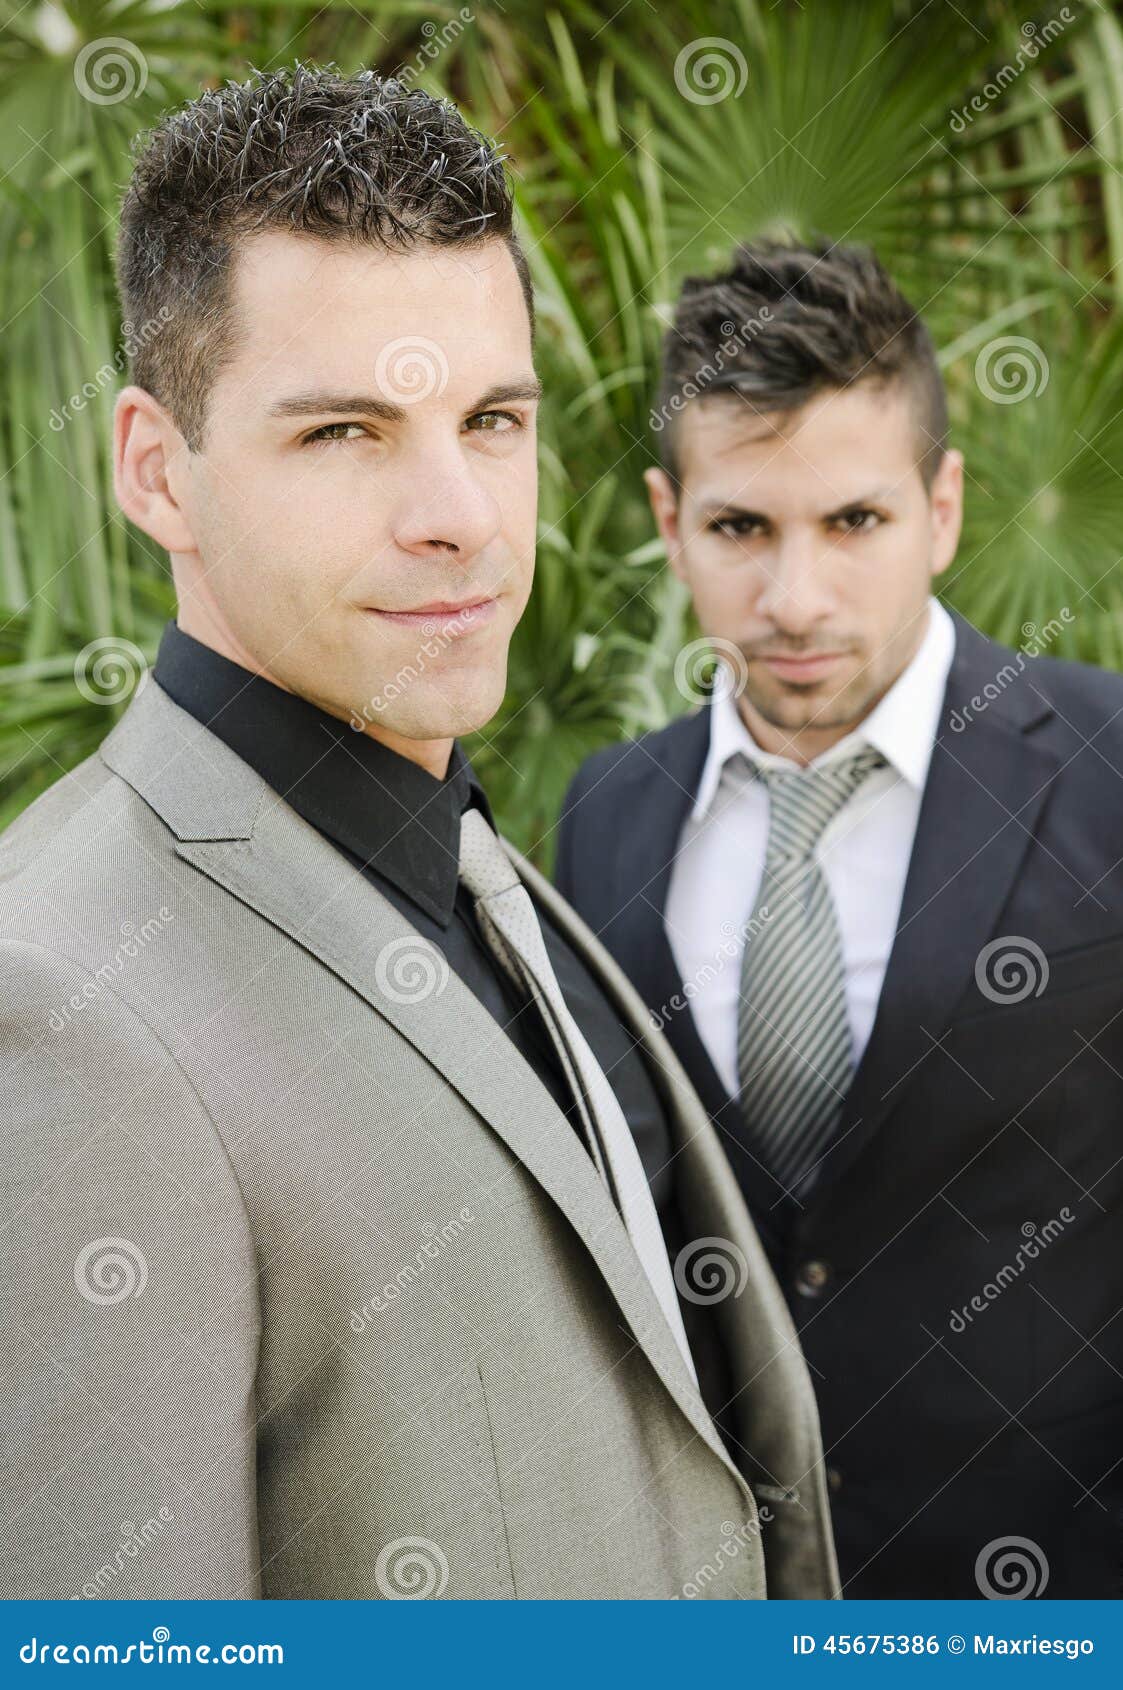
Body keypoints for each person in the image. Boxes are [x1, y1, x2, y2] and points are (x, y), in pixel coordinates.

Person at [0, 70, 838, 1602]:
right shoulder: (58, 1006)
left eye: (492, 418)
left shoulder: (474, 860)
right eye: (344, 431)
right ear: (153, 467)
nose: (460, 513)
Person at [556, 238, 1123, 1598]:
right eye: (741, 527)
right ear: (667, 514)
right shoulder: (607, 817)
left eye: (853, 523)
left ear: (941, 506)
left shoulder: (1109, 768)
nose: (793, 601)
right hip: (718, 1594)